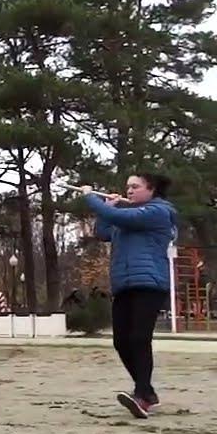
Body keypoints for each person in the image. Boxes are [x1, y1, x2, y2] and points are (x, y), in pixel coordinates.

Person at [85, 173, 178, 420]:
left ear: (152, 189)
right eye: (127, 187)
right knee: (121, 341)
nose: (129, 191)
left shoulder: (157, 211)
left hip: (149, 283)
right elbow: (104, 231)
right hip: (124, 283)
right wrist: (105, 207)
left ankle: (142, 395)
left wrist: (91, 198)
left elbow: (118, 218)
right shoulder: (128, 217)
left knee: (139, 337)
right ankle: (146, 392)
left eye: (135, 187)